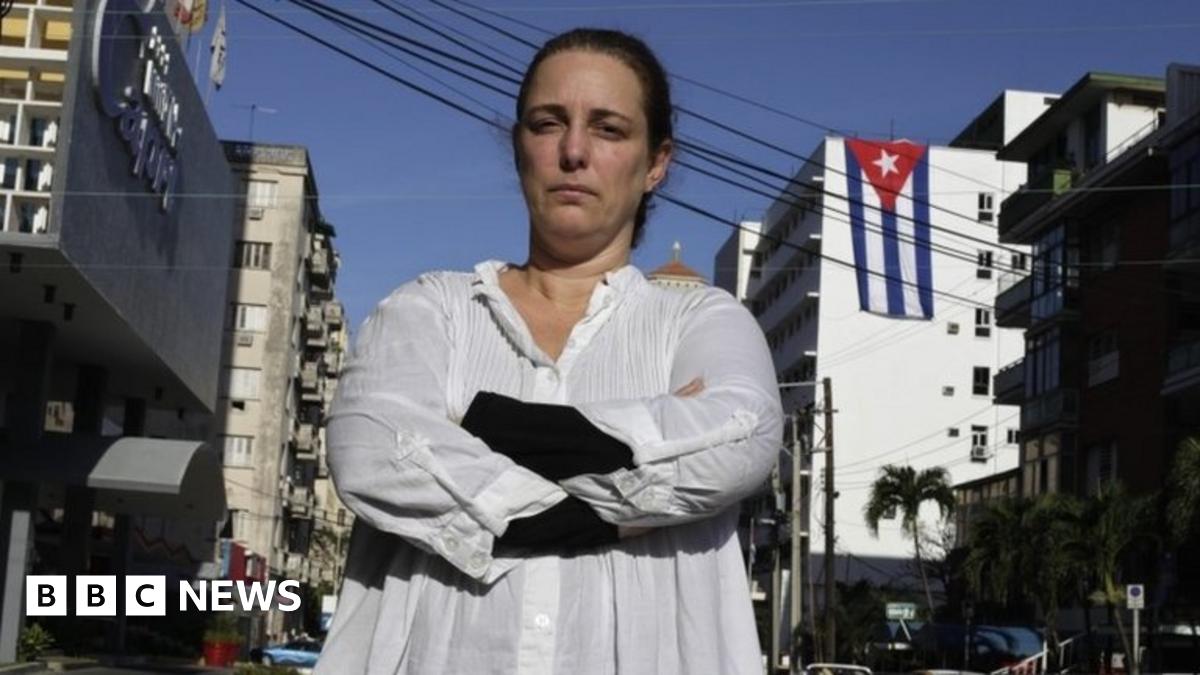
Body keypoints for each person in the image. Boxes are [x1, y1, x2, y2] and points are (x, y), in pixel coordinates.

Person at [315, 28, 783, 675]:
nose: (573, 151)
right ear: (519, 146)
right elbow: (369, 449)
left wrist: (481, 426)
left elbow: (742, 435)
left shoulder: (701, 318)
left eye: (609, 129)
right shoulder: (431, 308)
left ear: (656, 163)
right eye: (547, 123)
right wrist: (626, 507)